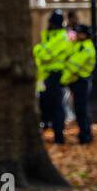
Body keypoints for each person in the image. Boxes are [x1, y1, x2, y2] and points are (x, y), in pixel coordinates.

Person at [34, 10, 72, 143]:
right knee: (45, 105)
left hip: (55, 75)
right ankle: (49, 130)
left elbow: (43, 53)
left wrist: (38, 50)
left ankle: (58, 136)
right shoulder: (50, 36)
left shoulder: (61, 37)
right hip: (44, 76)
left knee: (57, 106)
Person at [62, 24, 96, 144]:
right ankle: (84, 134)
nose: (77, 35)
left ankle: (85, 135)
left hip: (82, 82)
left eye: (79, 33)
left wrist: (62, 80)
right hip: (77, 82)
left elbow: (72, 65)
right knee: (80, 110)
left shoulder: (86, 48)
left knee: (82, 110)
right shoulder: (78, 45)